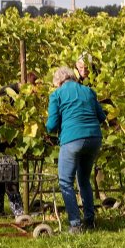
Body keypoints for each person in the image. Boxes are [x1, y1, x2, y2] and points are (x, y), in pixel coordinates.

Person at [45, 66, 106, 234]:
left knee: (65, 181)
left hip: (72, 140)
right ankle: (89, 220)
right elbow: (102, 117)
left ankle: (75, 224)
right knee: (84, 180)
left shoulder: (56, 95)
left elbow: (51, 125)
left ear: (58, 82)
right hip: (94, 139)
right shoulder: (89, 91)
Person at [0, 71, 39, 218]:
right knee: (7, 173)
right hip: (1, 140)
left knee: (4, 173)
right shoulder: (7, 92)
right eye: (33, 88)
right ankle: (16, 208)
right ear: (26, 84)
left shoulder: (23, 96)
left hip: (11, 141)